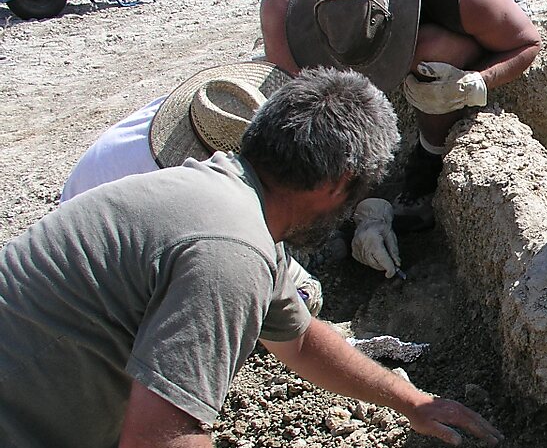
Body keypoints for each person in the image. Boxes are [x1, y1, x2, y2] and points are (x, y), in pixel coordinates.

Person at [0, 67, 502, 448]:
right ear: (337, 183)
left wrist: (408, 401)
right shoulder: (229, 251)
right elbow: (157, 443)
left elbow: (300, 338)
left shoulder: (235, 201)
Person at [259, 0, 542, 228]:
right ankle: (303, 157)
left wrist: (476, 80)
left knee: (432, 55)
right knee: (277, 6)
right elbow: (279, 3)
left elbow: (527, 42)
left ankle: (428, 159)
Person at [61, 61, 407, 288]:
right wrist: (293, 284)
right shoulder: (177, 198)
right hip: (102, 276)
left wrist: (368, 213)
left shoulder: (212, 109)